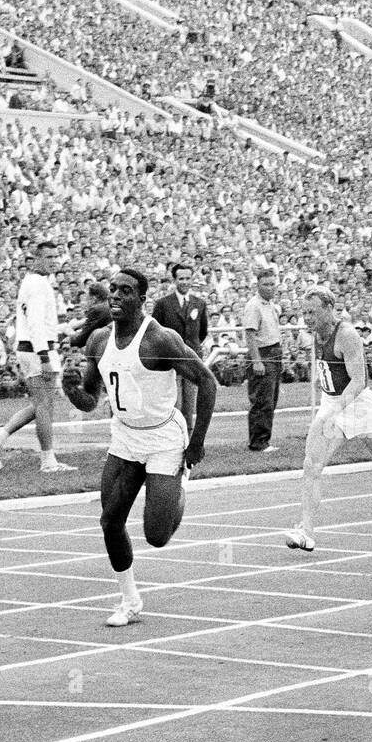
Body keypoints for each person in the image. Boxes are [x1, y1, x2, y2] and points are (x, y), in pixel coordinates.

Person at [61, 268, 217, 626]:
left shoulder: (160, 340)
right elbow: (89, 401)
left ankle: (179, 484)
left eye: (125, 291)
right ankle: (130, 600)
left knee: (157, 536)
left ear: (141, 299)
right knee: (110, 521)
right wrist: (71, 390)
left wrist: (197, 444)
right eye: (112, 289)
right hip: (126, 436)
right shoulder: (99, 340)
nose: (115, 295)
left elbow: (207, 383)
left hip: (163, 436)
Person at [283, 287, 372, 552]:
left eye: (313, 312)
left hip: (359, 406)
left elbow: (359, 380)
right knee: (312, 465)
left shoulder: (348, 335)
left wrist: (335, 409)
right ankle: (306, 531)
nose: (307, 318)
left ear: (329, 309)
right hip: (332, 404)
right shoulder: (316, 334)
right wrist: (326, 394)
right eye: (304, 312)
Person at [0, 241, 76, 472]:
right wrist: (44, 356)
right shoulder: (36, 283)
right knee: (44, 406)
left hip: (36, 347)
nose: (53, 260)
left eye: (56, 256)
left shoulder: (38, 282)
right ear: (35, 258)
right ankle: (47, 461)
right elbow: (34, 324)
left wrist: (66, 327)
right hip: (36, 350)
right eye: (48, 256)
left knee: (41, 404)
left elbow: (40, 323)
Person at [152, 262, 208, 432]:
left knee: (189, 405)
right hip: (170, 363)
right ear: (174, 280)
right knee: (173, 404)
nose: (184, 282)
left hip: (191, 361)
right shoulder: (163, 304)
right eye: (181, 278)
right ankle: (171, 437)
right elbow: (155, 332)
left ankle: (187, 443)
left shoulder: (199, 303)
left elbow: (202, 332)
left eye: (188, 278)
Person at [242, 268, 282, 452]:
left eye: (272, 284)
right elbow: (250, 335)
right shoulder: (254, 305)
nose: (270, 288)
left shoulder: (270, 305)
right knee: (262, 400)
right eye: (265, 284)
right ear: (257, 285)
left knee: (271, 399)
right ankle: (258, 441)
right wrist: (257, 361)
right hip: (262, 353)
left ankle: (264, 439)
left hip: (274, 352)